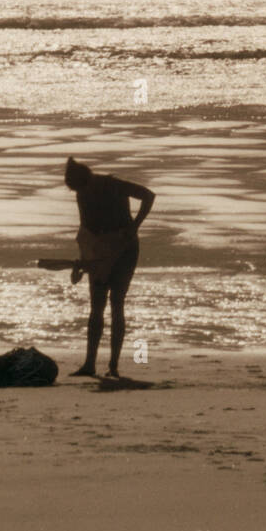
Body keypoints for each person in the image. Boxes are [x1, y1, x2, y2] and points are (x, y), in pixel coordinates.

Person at [64, 157, 155, 379]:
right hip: (97, 250)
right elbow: (86, 229)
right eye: (78, 190)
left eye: (83, 187)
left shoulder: (113, 185)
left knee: (117, 302)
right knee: (96, 306)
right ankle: (89, 364)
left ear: (89, 179)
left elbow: (148, 196)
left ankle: (113, 365)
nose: (82, 192)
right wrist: (81, 262)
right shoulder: (81, 193)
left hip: (125, 248)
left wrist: (135, 226)